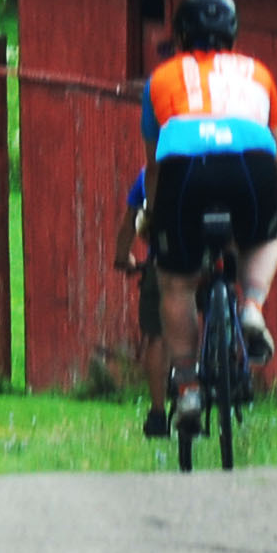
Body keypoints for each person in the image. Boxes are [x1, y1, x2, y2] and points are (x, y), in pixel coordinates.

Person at [142, 0, 277, 423]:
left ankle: (186, 389)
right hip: (251, 163)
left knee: (177, 284)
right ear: (233, 34)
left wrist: (153, 210)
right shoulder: (260, 74)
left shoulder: (162, 77)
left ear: (181, 35)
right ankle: (252, 308)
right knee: (265, 234)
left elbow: (154, 163)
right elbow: (273, 153)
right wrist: (276, 204)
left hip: (186, 167)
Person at [112, 166, 170, 438]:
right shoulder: (214, 160)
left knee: (157, 334)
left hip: (165, 262)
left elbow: (128, 224)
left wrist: (122, 259)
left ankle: (159, 413)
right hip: (207, 257)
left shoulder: (150, 174)